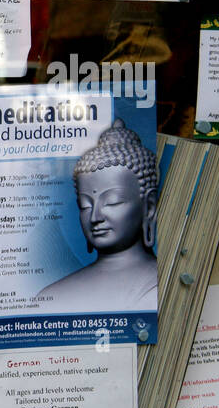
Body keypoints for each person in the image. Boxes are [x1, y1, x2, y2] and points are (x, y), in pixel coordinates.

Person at [37, 118, 158, 311]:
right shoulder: (50, 296)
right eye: (85, 205)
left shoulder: (158, 286)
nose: (95, 218)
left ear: (149, 207)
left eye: (112, 202)